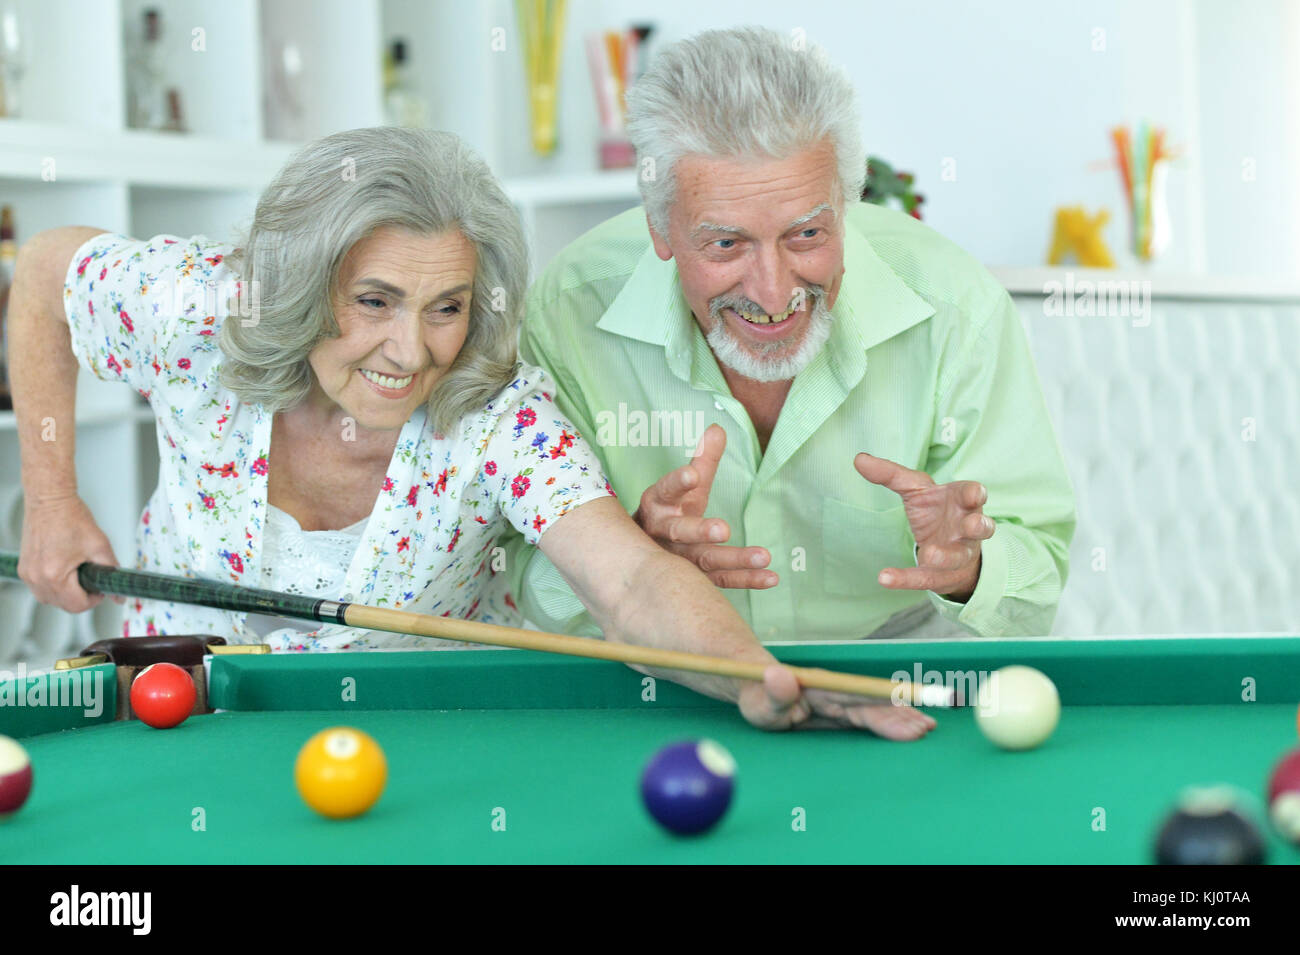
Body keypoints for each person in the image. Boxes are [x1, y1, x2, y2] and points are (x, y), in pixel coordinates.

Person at [8, 127, 934, 738]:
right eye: (374, 301)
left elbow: (631, 576)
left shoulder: (499, 415)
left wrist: (755, 675)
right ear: (300, 286)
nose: (411, 351)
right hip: (170, 706)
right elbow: (46, 270)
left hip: (419, 752)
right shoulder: (209, 309)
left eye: (445, 306)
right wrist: (51, 499)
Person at [507, 27, 1077, 641]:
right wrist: (625, 560)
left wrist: (969, 568)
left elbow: (1037, 578)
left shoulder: (957, 306)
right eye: (726, 244)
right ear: (661, 230)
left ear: (845, 202)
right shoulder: (568, 311)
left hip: (894, 666)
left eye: (806, 235)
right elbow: (520, 577)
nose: (773, 293)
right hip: (666, 669)